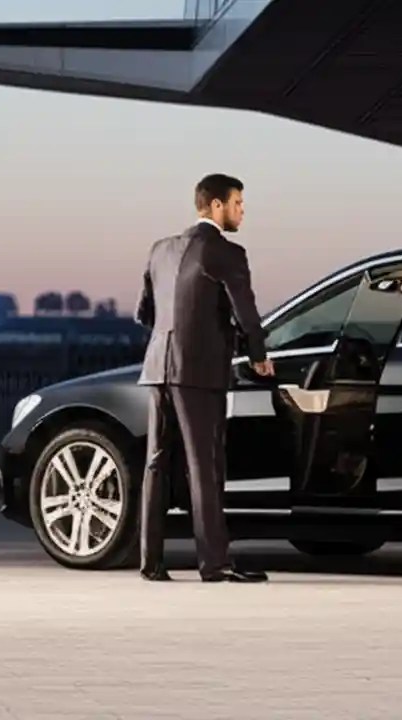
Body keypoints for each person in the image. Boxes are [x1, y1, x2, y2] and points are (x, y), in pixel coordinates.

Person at [133, 173, 275, 582]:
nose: (242, 211)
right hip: (198, 371)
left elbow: (144, 313)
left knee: (156, 464)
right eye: (237, 203)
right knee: (205, 466)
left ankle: (151, 563)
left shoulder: (160, 250)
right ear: (216, 205)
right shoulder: (226, 253)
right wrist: (258, 356)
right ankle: (215, 564)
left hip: (158, 366)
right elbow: (246, 313)